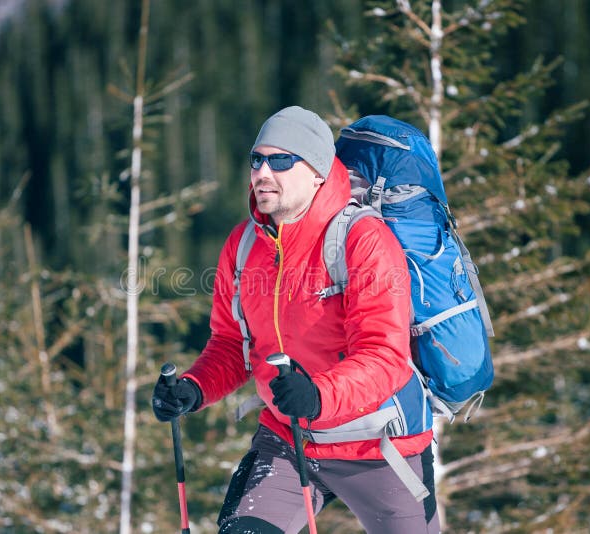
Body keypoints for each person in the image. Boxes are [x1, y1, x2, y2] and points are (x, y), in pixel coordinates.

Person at [152, 106, 439, 533]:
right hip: (290, 441)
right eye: (257, 160)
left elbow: (384, 357)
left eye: (281, 160)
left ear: (318, 172)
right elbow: (234, 344)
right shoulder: (245, 244)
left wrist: (317, 395)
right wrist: (194, 389)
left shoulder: (363, 240)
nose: (263, 172)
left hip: (380, 445)